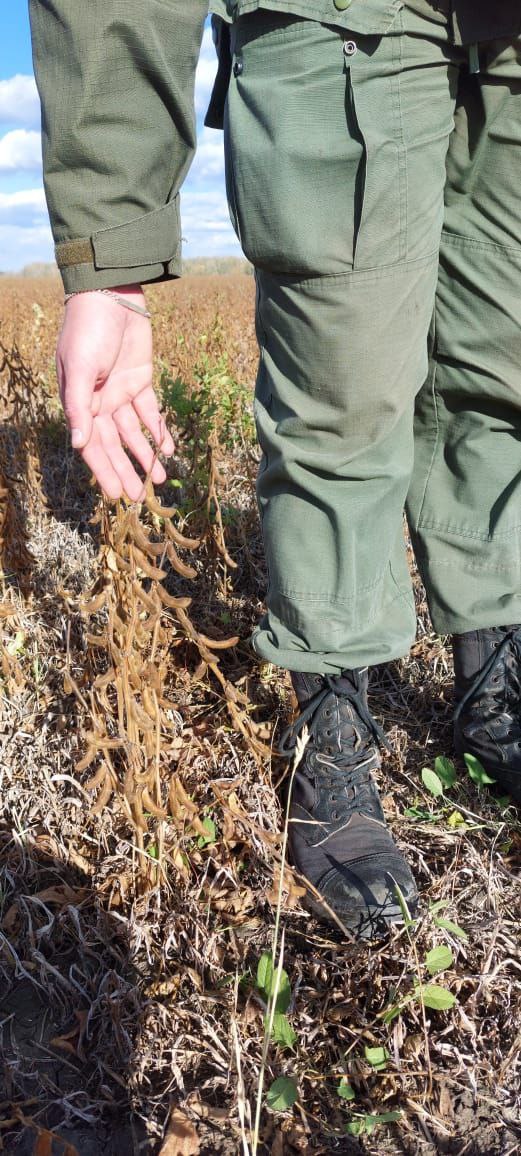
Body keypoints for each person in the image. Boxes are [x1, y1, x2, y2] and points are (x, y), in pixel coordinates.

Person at [29, 1, 521, 940]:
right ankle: (329, 735)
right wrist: (108, 255)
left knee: (498, 375)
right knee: (342, 400)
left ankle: (489, 678)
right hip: (344, 17)